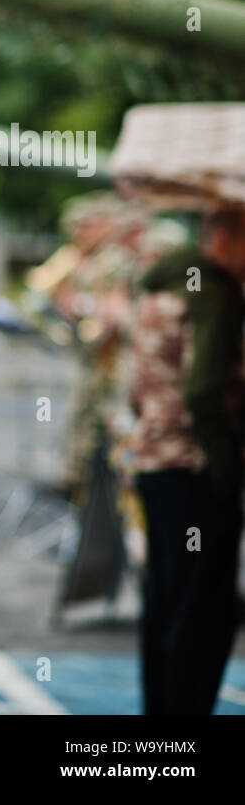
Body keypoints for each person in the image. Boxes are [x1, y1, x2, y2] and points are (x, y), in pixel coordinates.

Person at [129, 203, 245, 715]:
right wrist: (228, 468)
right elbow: (204, 393)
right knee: (203, 613)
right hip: (196, 470)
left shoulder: (159, 290)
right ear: (222, 241)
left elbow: (136, 391)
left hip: (155, 463)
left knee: (165, 605)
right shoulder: (213, 293)